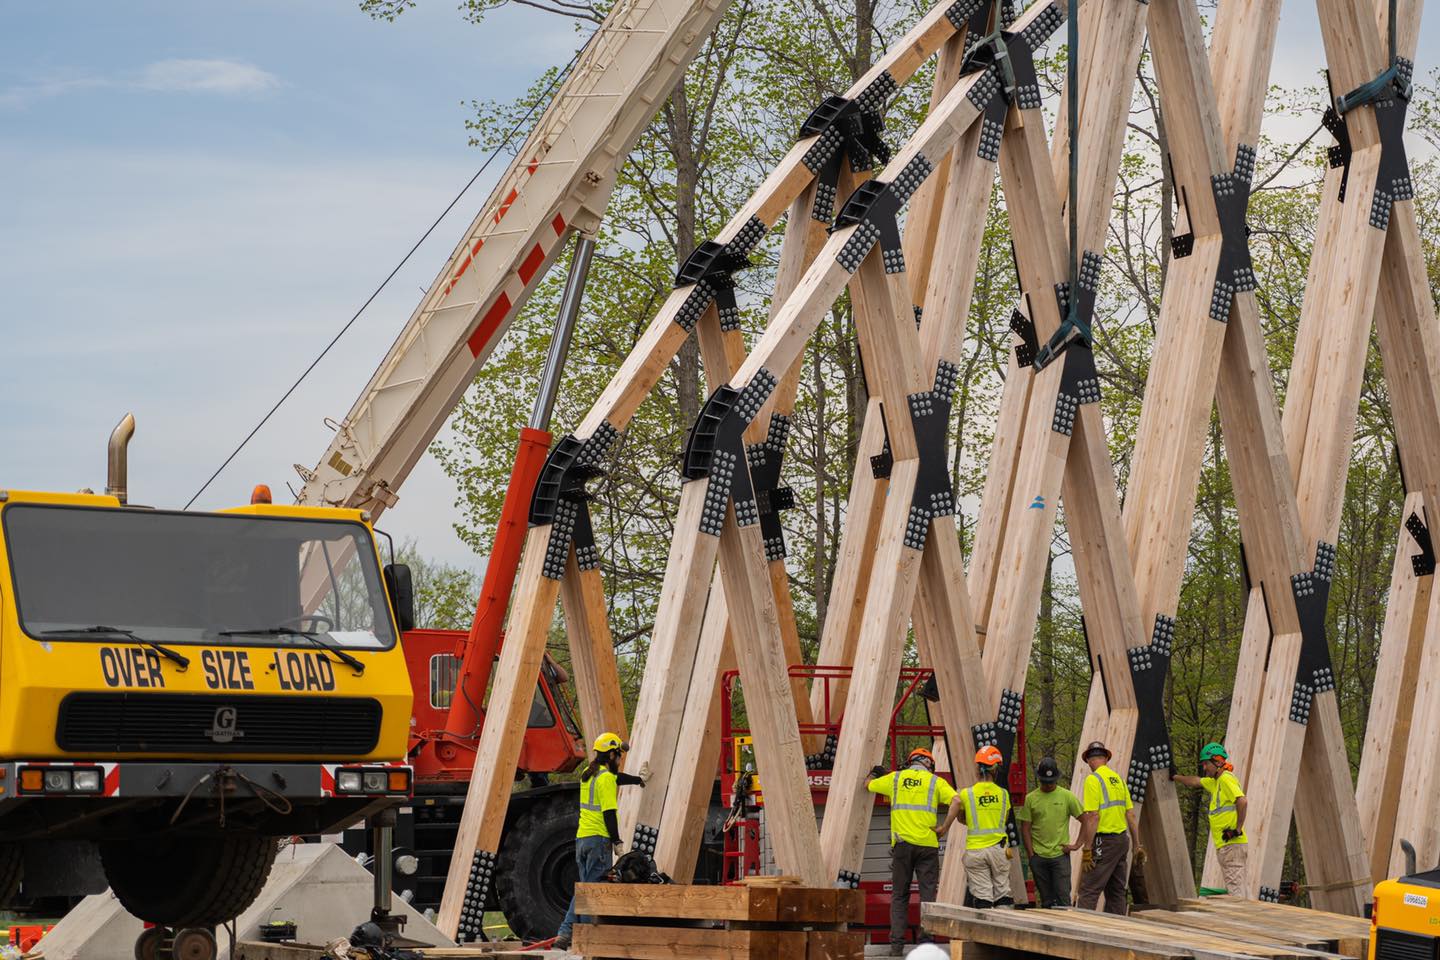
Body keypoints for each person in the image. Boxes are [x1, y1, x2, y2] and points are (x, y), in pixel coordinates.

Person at [554, 732, 646, 951]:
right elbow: (609, 813)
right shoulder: (604, 778)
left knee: (586, 890)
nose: (619, 760)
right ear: (612, 754)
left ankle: (572, 938)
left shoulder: (588, 773)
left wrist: (638, 780)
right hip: (598, 841)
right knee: (592, 893)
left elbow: (616, 778)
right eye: (618, 756)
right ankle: (573, 936)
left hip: (582, 840)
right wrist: (617, 841)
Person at [867, 747, 962, 955]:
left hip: (902, 846)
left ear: (911, 761)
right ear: (929, 764)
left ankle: (896, 947)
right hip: (928, 845)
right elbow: (957, 800)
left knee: (899, 895)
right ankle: (926, 944)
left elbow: (869, 786)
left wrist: (874, 774)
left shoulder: (895, 779)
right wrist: (944, 828)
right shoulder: (936, 782)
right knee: (928, 895)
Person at [1070, 741, 1142, 915]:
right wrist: (1137, 845)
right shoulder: (1119, 780)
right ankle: (1116, 931)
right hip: (1122, 841)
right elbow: (1131, 816)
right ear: (1106, 758)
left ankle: (1083, 932)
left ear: (1088, 760)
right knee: (1116, 892)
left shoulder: (1093, 780)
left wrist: (1087, 848)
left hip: (1104, 842)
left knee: (1089, 890)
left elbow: (1093, 816)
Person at [1172, 741, 1249, 896]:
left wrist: (1237, 830)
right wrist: (1175, 777)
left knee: (1236, 894)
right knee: (1238, 889)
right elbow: (1195, 781)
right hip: (1227, 846)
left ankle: (1239, 920)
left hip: (1231, 845)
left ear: (1218, 761)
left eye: (1206, 763)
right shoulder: (1216, 782)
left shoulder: (1226, 779)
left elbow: (1242, 801)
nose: (1204, 768)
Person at [1016, 757, 1082, 907]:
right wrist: (1031, 854)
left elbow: (1086, 819)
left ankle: (1064, 929)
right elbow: (1025, 828)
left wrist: (1077, 845)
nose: (1048, 785)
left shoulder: (1067, 796)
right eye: (1045, 782)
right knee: (1046, 900)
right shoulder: (1031, 799)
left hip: (1060, 857)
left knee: (1063, 898)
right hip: (1039, 857)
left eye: (1051, 782)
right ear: (1040, 780)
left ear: (1056, 779)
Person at [956, 745, 1014, 909]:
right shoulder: (1003, 794)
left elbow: (962, 819)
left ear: (977, 767)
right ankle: (1004, 931)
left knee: (983, 897)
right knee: (1003, 894)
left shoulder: (967, 794)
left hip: (975, 851)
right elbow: (1005, 818)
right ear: (995, 769)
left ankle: (985, 931)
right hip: (998, 850)